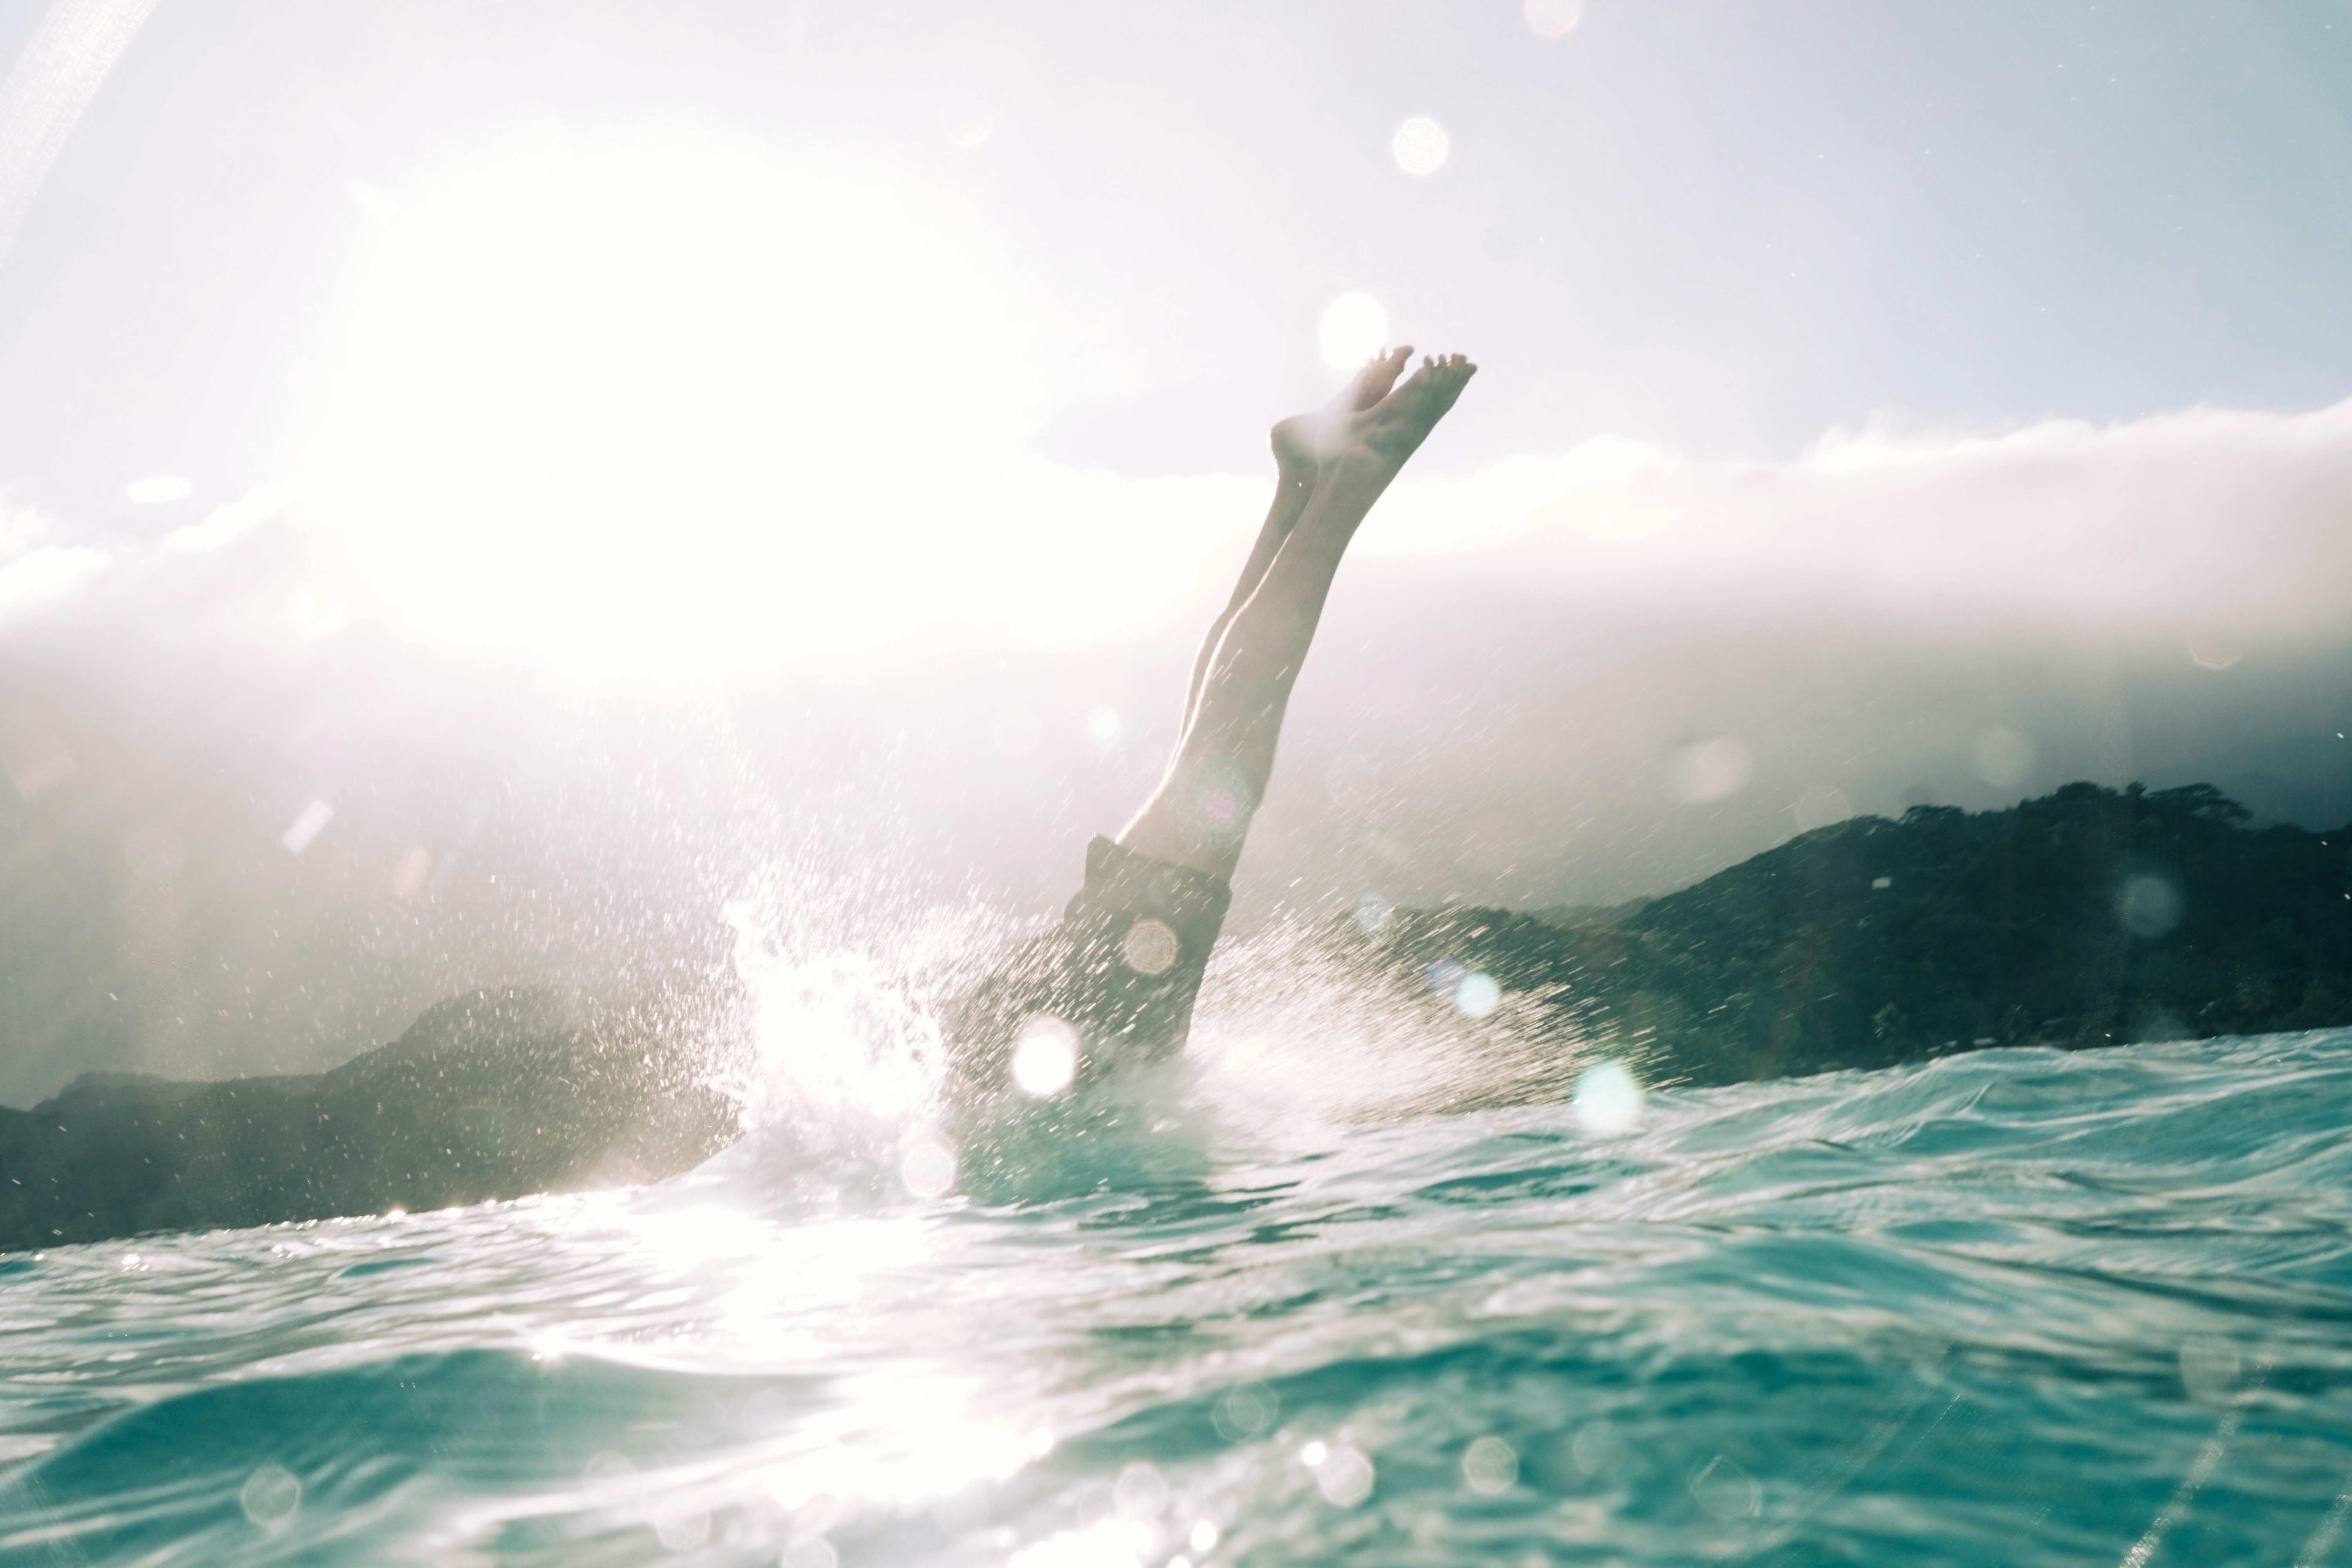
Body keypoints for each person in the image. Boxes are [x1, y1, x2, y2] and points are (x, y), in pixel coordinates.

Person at [944, 347, 1477, 1109]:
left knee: (1221, 761)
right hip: (1047, 1042)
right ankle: (1303, 481)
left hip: (1070, 1048)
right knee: (1206, 758)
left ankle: (1351, 477)